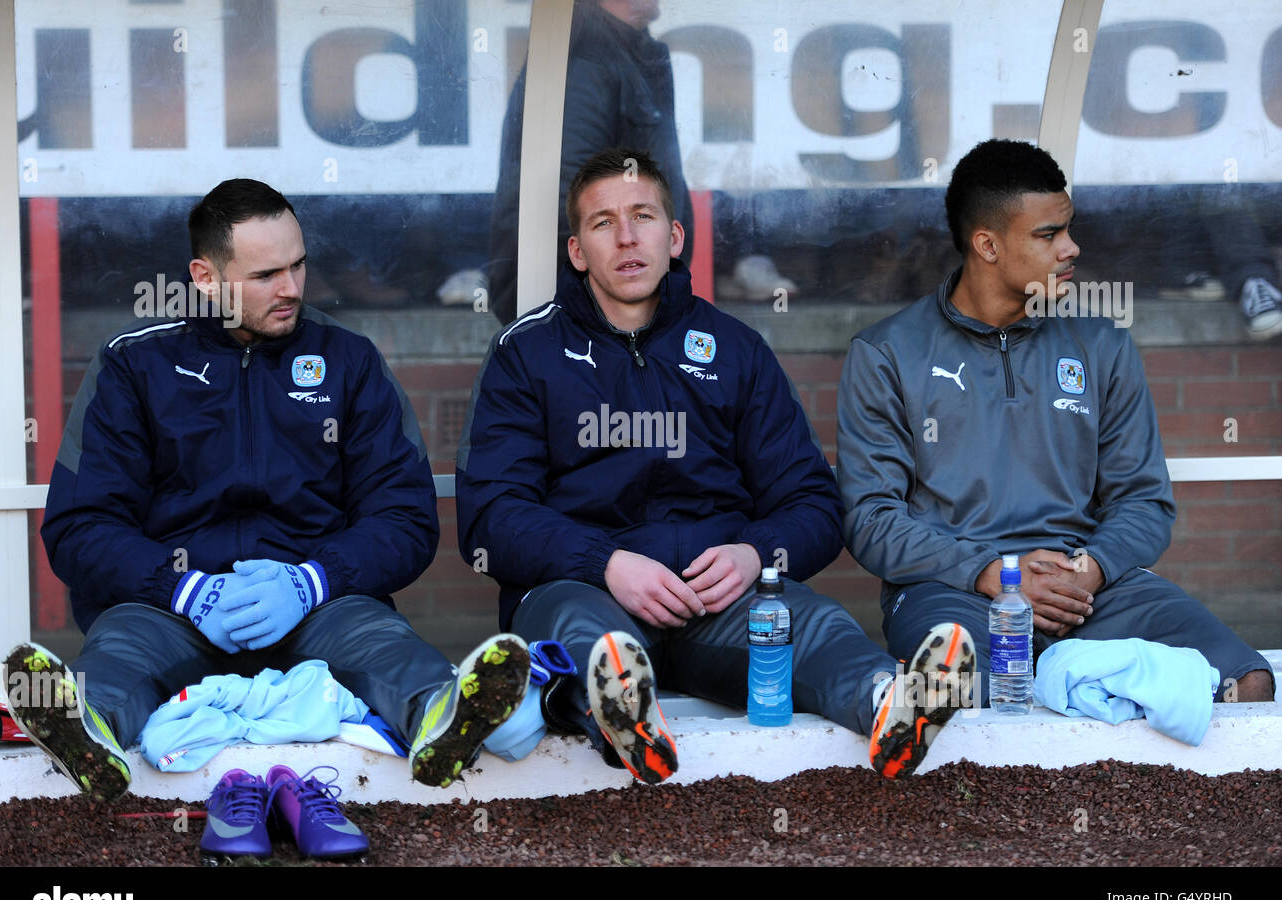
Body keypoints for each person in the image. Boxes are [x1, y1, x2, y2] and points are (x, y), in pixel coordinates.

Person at [456, 148, 976, 783]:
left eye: (643, 216)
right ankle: (623, 714)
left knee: (806, 621)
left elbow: (812, 503)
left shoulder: (735, 350)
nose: (626, 237)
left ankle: (890, 704)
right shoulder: (526, 352)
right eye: (602, 223)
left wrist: (754, 555)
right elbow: (491, 517)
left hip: (715, 602)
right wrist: (606, 564)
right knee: (584, 632)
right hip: (587, 589)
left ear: (674, 237)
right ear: (576, 250)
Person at [4, 179, 531, 804]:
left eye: (298, 265)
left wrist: (312, 580)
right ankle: (89, 735)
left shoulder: (349, 360)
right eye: (266, 275)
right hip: (170, 609)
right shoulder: (134, 364)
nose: (291, 289)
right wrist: (184, 588)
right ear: (205, 276)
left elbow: (406, 518)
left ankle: (447, 718)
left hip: (319, 605)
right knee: (118, 657)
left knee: (384, 645)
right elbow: (79, 527)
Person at [837, 139, 1275, 707]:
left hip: (1088, 590)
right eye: (1047, 235)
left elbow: (1145, 502)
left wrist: (1091, 568)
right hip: (953, 590)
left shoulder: (1101, 344)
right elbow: (871, 518)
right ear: (987, 245)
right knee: (969, 702)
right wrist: (989, 571)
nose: (1071, 248)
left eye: (1067, 228)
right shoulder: (887, 353)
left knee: (1247, 682)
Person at [485, 0, 693, 326]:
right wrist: (612, 317)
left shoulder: (623, 51)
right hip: (593, 319)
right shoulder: (586, 62)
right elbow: (561, 203)